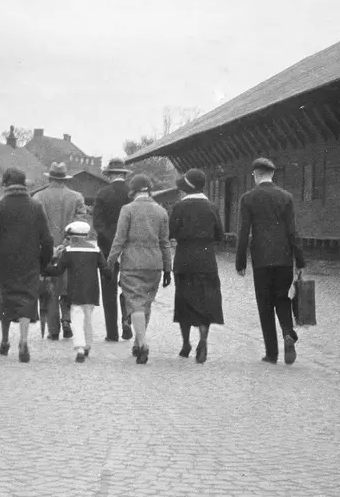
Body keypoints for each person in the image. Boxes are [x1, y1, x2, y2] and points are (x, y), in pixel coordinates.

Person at [0, 167, 54, 363]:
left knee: (6, 297)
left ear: (5, 184)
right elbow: (48, 239)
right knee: (27, 297)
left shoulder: (0, 207)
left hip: (5, 260)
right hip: (30, 259)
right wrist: (44, 263)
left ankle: (5, 340)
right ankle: (24, 340)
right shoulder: (36, 207)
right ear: (24, 184)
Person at [235, 156, 307, 365]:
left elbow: (243, 232)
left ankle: (272, 353)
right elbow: (293, 231)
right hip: (284, 259)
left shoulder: (248, 198)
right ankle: (287, 332)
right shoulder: (286, 197)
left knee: (264, 304)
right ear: (272, 174)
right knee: (282, 298)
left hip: (261, 260)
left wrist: (241, 262)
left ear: (256, 175)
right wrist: (300, 261)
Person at [107, 174, 172, 365]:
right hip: (155, 265)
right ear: (150, 190)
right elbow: (165, 243)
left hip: (132, 263)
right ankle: (137, 342)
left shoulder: (127, 210)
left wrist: (110, 263)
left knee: (135, 303)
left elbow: (119, 240)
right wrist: (168, 268)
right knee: (146, 304)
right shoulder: (161, 212)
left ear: (132, 191)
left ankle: (142, 344)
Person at [168, 168, 224, 364]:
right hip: (206, 260)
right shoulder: (211, 207)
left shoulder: (178, 207)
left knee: (184, 300)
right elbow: (220, 235)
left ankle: (185, 343)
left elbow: (170, 232)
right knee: (205, 301)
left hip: (184, 259)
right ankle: (203, 340)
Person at [32, 162, 88, 340]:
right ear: (65, 178)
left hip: (46, 249)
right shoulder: (77, 197)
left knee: (50, 290)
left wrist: (49, 246)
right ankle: (66, 319)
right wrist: (65, 242)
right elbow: (81, 224)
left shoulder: (38, 197)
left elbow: (36, 227)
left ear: (50, 177)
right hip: (71, 247)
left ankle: (53, 330)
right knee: (67, 286)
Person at [42, 220, 105, 363]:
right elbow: (105, 269)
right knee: (88, 317)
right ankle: (88, 345)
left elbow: (58, 271)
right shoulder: (95, 250)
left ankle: (80, 347)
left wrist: (44, 268)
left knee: (77, 317)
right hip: (92, 291)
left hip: (75, 290)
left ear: (73, 237)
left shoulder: (68, 251)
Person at [91, 156, 133, 343]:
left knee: (108, 291)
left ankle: (112, 333)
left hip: (107, 249)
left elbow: (97, 223)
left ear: (109, 175)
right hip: (130, 248)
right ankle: (127, 319)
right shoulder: (132, 193)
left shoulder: (102, 194)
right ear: (123, 174)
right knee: (131, 287)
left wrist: (111, 240)